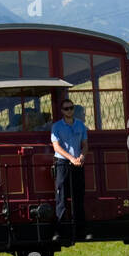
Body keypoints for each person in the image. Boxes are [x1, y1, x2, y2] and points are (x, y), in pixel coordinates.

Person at [50, 96, 89, 240]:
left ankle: (81, 231)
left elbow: (85, 144)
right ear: (62, 111)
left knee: (78, 197)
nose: (69, 111)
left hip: (78, 163)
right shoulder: (56, 127)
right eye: (66, 108)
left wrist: (82, 156)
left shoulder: (80, 126)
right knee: (61, 197)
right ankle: (60, 231)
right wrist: (71, 158)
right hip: (63, 164)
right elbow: (56, 147)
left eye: (71, 108)